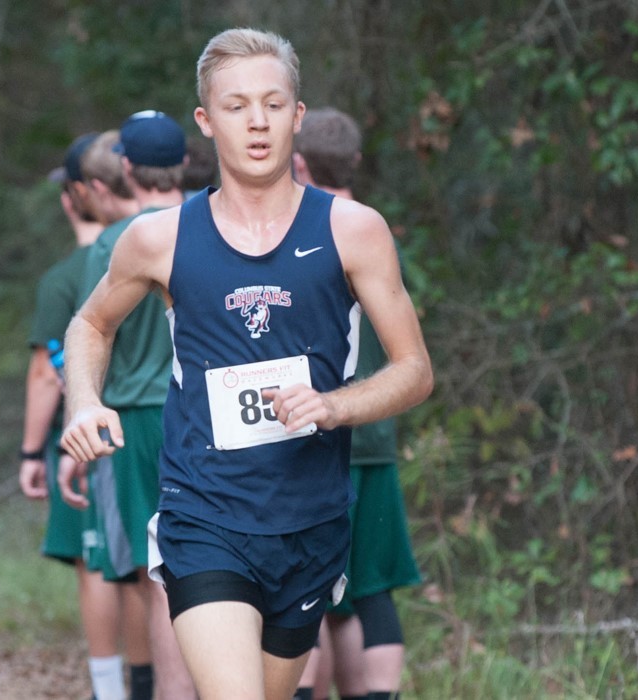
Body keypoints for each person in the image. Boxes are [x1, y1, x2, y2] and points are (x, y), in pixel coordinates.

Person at [60, 28, 433, 700]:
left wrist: (336, 404)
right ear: (206, 122)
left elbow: (415, 371)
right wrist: (85, 400)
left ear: (297, 114)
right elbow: (90, 323)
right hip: (202, 517)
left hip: (311, 525)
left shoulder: (354, 231)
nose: (256, 122)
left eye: (271, 103)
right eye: (235, 106)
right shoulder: (160, 238)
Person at [59, 111, 197, 699]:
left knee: (155, 576)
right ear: (187, 162)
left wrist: (80, 422)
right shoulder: (211, 226)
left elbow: (91, 338)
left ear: (125, 168)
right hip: (199, 414)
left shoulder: (113, 244)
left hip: (134, 419)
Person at [290, 108, 422, 700]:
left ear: (297, 162)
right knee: (370, 591)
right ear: (356, 162)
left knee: (302, 590)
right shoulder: (377, 230)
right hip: (375, 437)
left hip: (310, 436)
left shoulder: (301, 234)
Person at [19, 133, 154, 700]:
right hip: (169, 424)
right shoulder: (167, 239)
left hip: (103, 431)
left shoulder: (70, 275)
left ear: (79, 193)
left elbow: (49, 372)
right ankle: (152, 681)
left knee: (101, 561)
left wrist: (32, 451)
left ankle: (115, 688)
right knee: (150, 566)